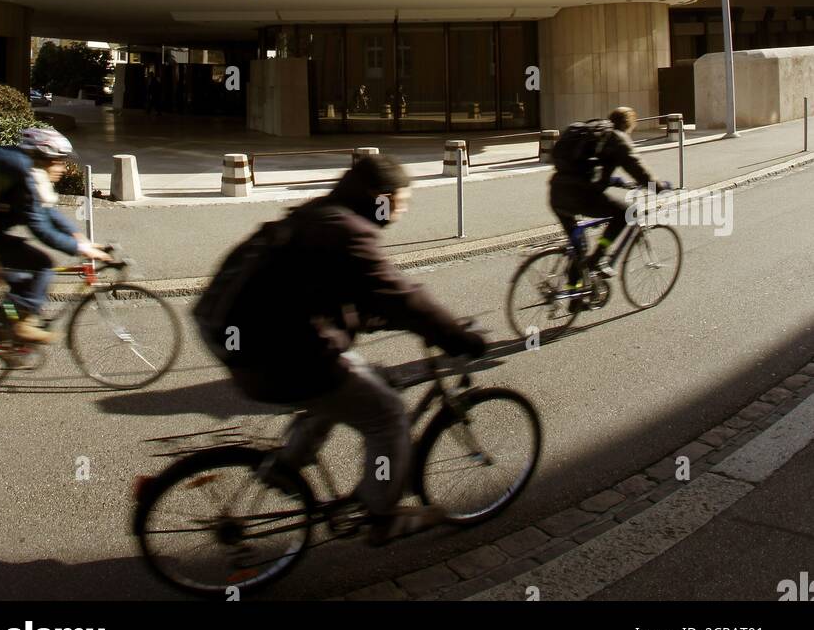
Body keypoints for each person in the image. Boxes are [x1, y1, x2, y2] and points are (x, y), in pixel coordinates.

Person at [224, 153, 486, 546]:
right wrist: (456, 337)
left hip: (262, 348)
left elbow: (353, 296)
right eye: (402, 200)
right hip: (282, 358)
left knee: (351, 384)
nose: (404, 209)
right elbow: (400, 295)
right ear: (381, 197)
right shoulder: (349, 231)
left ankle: (285, 467)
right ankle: (384, 515)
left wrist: (390, 319)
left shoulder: (323, 213)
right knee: (388, 415)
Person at [0, 127, 112, 344]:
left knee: (22, 280)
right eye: (59, 161)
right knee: (43, 264)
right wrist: (79, 248)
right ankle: (21, 327)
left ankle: (4, 329)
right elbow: (41, 229)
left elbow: (48, 212)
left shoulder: (27, 175)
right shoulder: (24, 180)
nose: (63, 168)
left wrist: (78, 237)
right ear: (43, 159)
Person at [549, 107, 672, 288]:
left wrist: (619, 182)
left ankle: (575, 294)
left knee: (579, 249)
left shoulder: (595, 134)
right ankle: (598, 259)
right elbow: (638, 169)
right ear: (629, 125)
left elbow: (589, 170)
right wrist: (659, 187)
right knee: (625, 213)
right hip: (581, 196)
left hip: (557, 192)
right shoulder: (617, 138)